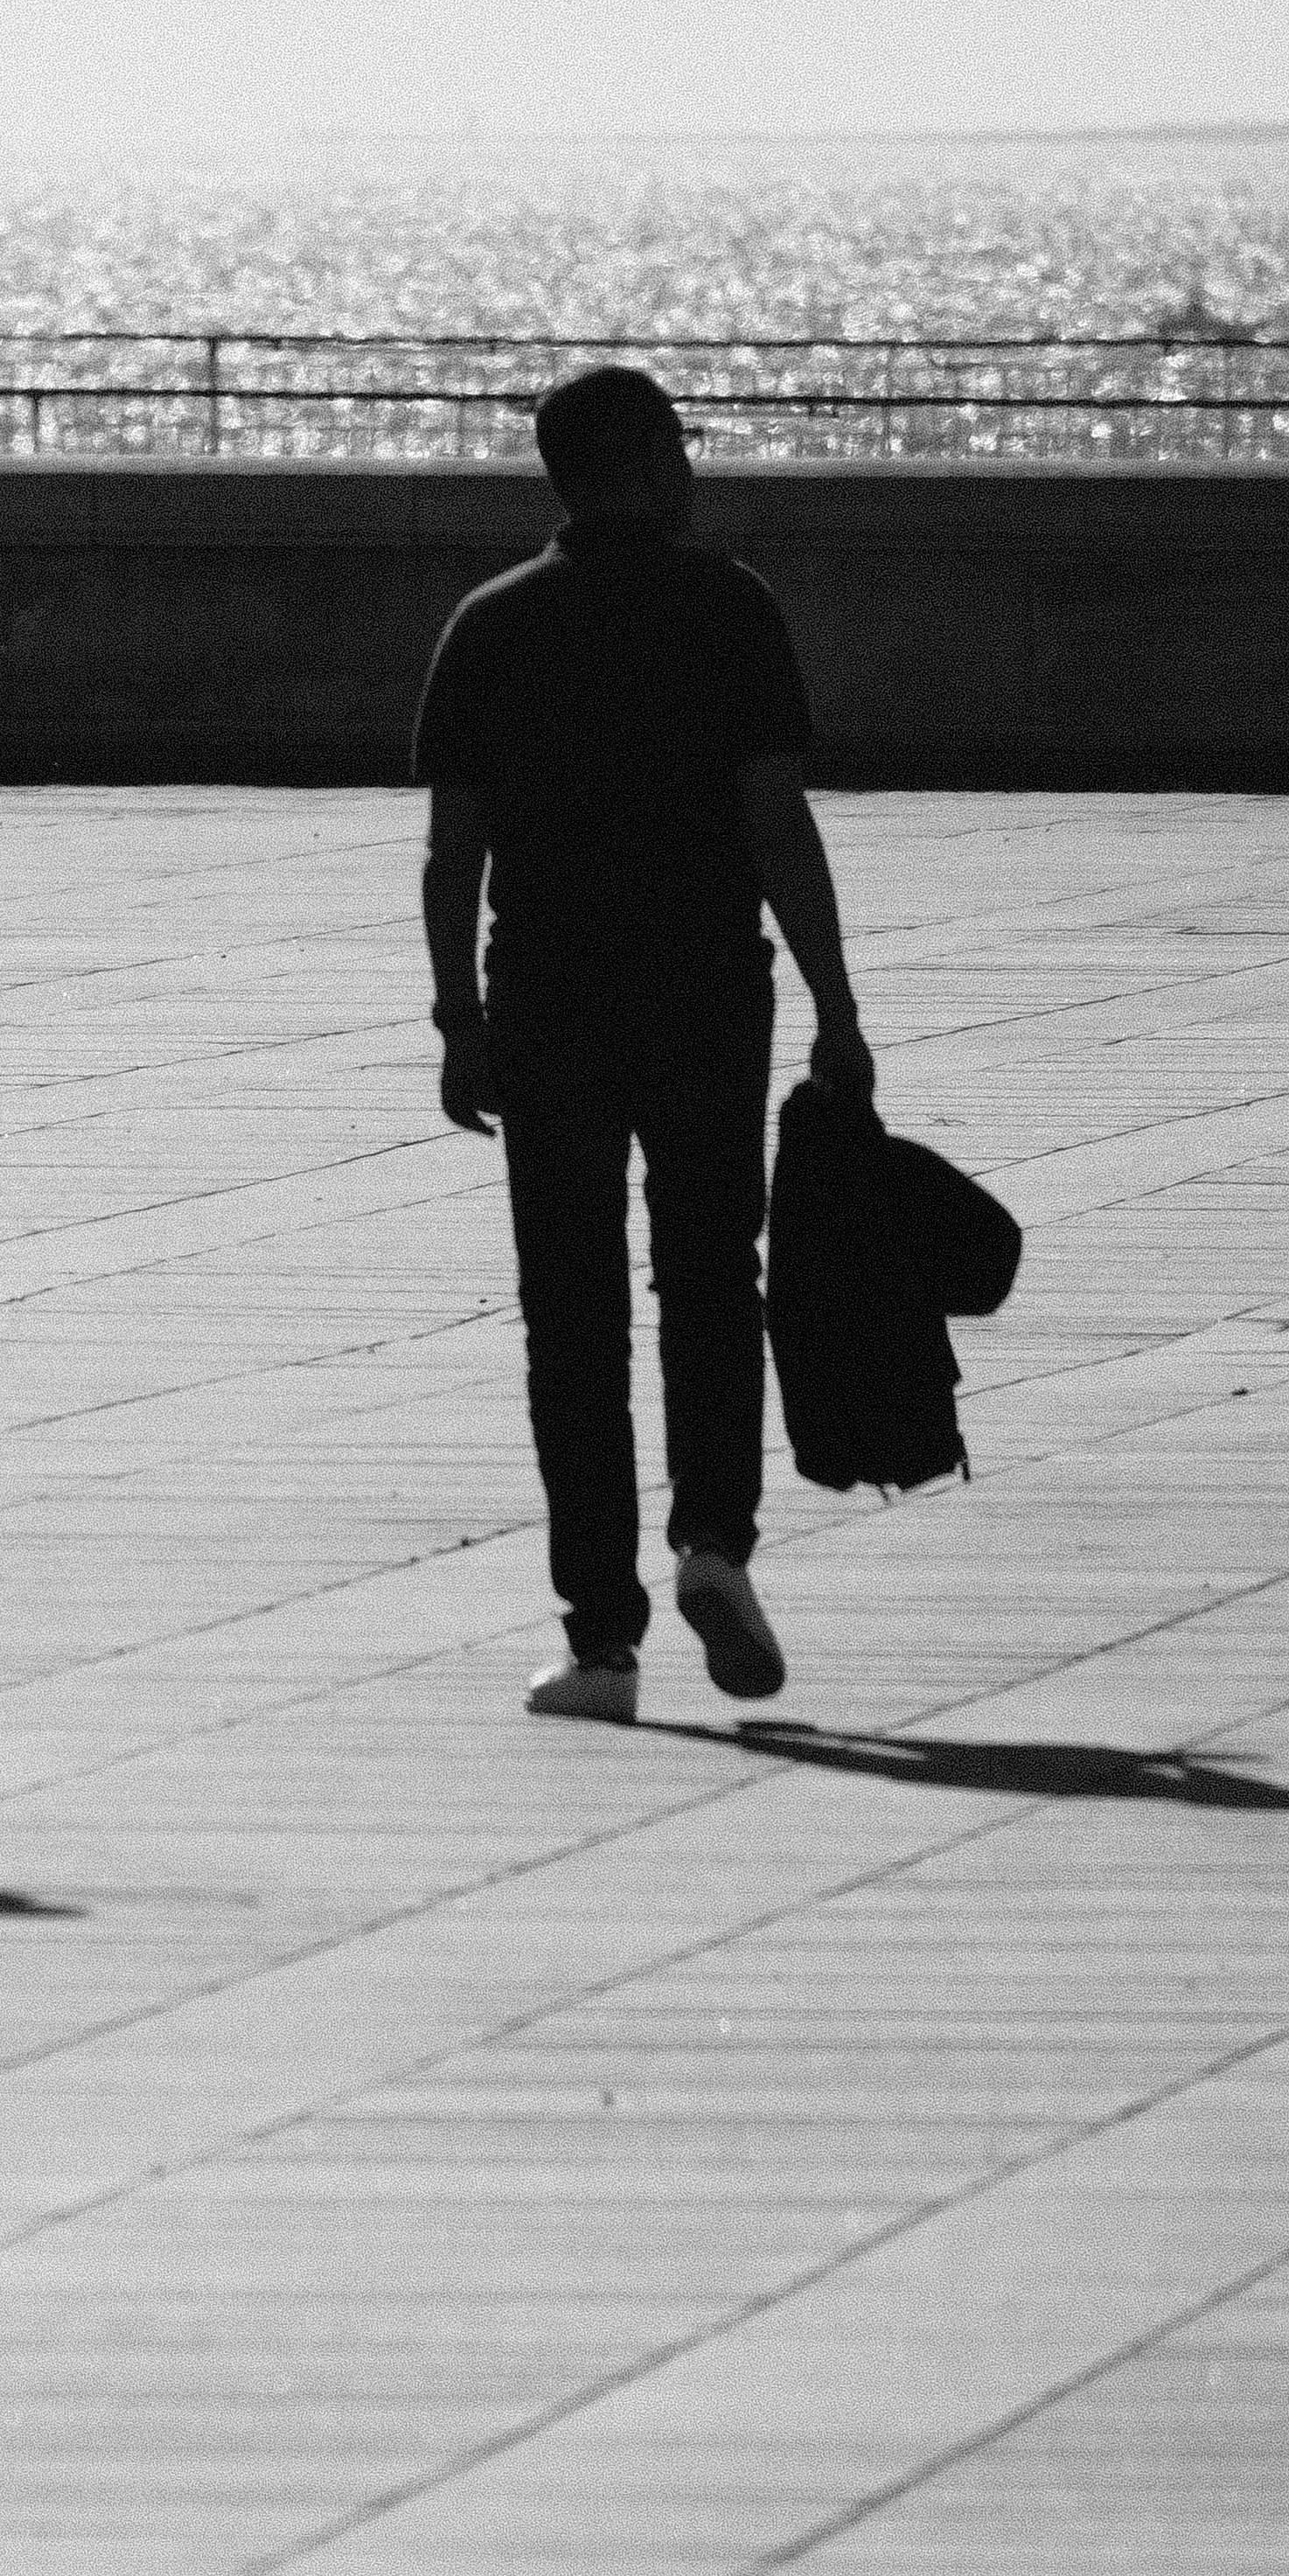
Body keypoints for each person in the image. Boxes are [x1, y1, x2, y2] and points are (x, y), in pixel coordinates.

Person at [415, 366, 878, 1724]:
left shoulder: (492, 624)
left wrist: (457, 1021)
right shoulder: (730, 608)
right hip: (704, 993)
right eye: (677, 442)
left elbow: (454, 854)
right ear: (644, 463)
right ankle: (712, 1544)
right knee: (711, 1281)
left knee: (572, 1317)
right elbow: (775, 823)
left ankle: (599, 1643)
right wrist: (838, 1008)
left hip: (548, 998)